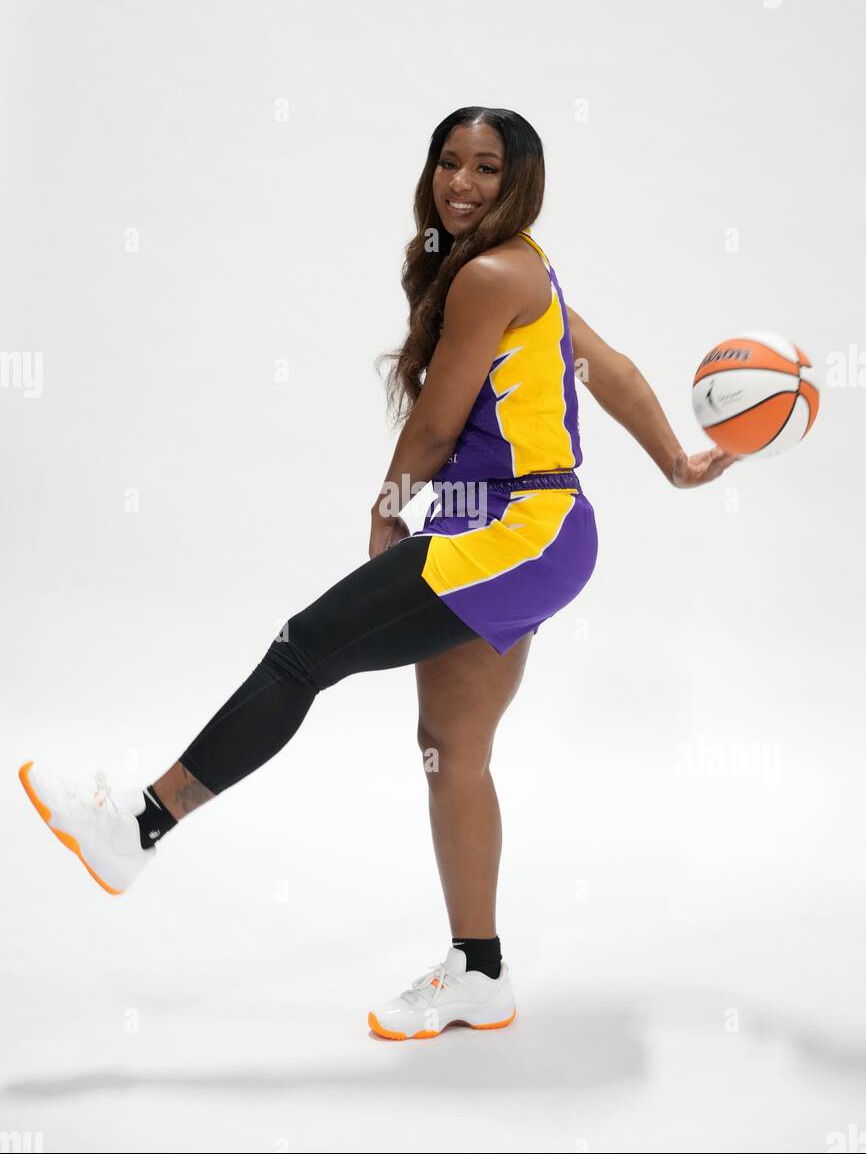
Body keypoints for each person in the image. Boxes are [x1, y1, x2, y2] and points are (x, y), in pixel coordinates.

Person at [18, 106, 734, 1040]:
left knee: (304, 649)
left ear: (519, 181)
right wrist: (674, 460)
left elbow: (437, 424)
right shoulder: (522, 266)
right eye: (449, 162)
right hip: (507, 526)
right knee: (451, 748)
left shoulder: (493, 273)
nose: (462, 182)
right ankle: (479, 972)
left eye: (486, 167)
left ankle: (138, 826)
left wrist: (388, 507)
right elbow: (611, 370)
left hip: (522, 527)